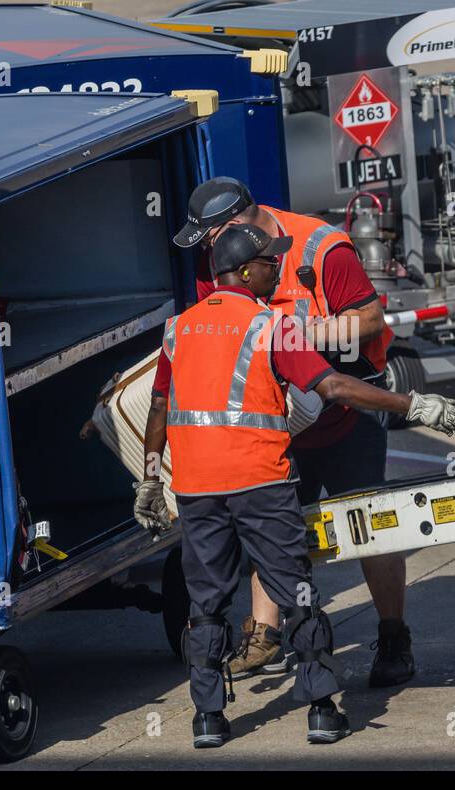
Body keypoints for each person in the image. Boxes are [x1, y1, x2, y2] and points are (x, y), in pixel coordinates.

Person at [135, 222, 455, 748]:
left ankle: (209, 721)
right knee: (299, 595)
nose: (277, 269)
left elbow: (158, 406)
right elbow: (332, 385)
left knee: (206, 604)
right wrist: (413, 404)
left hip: (196, 487)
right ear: (247, 271)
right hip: (259, 482)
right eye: (271, 262)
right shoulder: (273, 327)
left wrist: (152, 480)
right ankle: (320, 709)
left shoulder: (179, 329)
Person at [175, 177, 418, 688]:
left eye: (210, 237)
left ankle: (394, 636)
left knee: (368, 527)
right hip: (277, 420)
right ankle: (263, 635)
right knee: (271, 532)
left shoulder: (322, 248)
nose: (204, 250)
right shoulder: (214, 261)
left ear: (236, 225)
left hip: (348, 410)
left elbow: (371, 318)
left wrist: (299, 338)